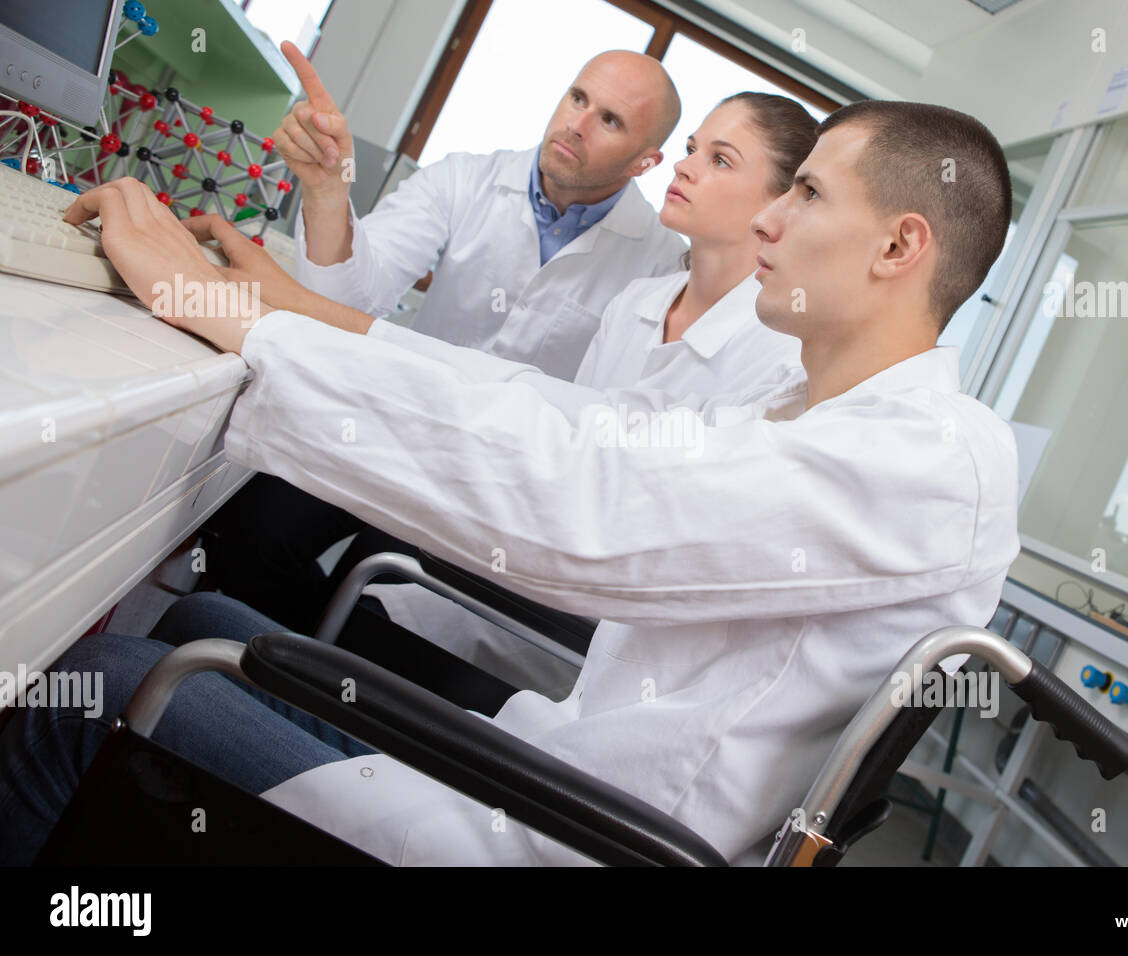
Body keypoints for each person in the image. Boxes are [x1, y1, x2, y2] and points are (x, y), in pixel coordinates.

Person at [0, 100, 1021, 867]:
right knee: (205, 618)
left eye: (806, 193)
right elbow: (563, 417)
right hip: (542, 770)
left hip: (560, 831)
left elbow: (588, 508)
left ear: (899, 244)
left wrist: (250, 325)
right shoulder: (816, 414)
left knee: (95, 691)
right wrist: (271, 316)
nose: (769, 220)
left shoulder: (927, 461)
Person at [331, 90, 819, 698]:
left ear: (783, 203)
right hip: (512, 562)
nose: (686, 166)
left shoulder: (777, 352)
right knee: (334, 571)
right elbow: (557, 453)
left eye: (720, 160)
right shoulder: (637, 301)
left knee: (350, 608)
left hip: (573, 637)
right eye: (692, 148)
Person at [203, 42, 687, 632]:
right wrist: (329, 191)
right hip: (382, 421)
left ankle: (295, 675)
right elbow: (347, 304)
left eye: (609, 120)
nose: (576, 124)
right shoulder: (464, 180)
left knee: (370, 612)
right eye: (577, 97)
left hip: (487, 487)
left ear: (645, 161)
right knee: (246, 537)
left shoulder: (662, 265)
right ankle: (261, 665)